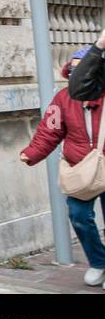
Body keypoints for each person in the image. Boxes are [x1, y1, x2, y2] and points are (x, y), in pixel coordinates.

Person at [21, 32, 105, 286]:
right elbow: (50, 129)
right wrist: (32, 152)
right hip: (80, 168)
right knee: (79, 216)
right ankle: (99, 262)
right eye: (77, 71)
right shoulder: (63, 99)